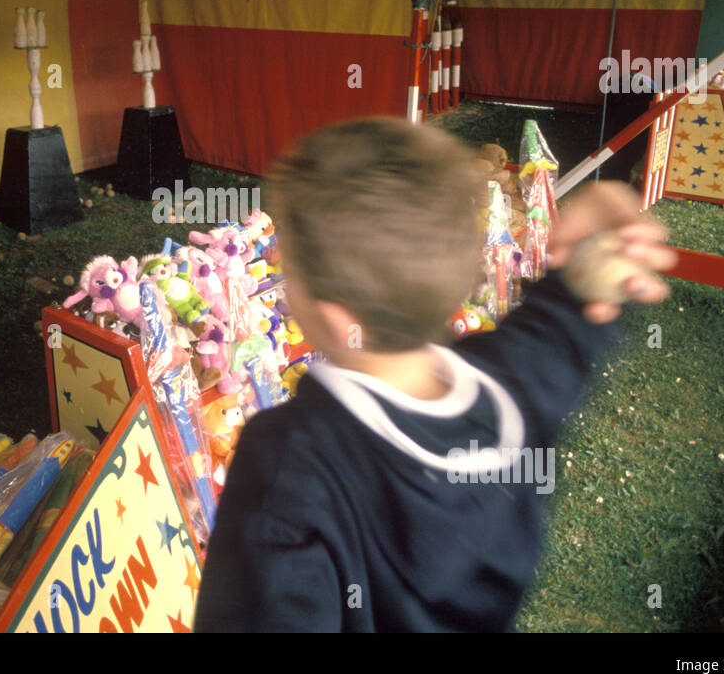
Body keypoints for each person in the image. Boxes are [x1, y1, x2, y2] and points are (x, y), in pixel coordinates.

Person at [193, 117, 676, 632]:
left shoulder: (287, 461)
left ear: (335, 317)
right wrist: (591, 265)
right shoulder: (508, 388)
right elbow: (563, 324)